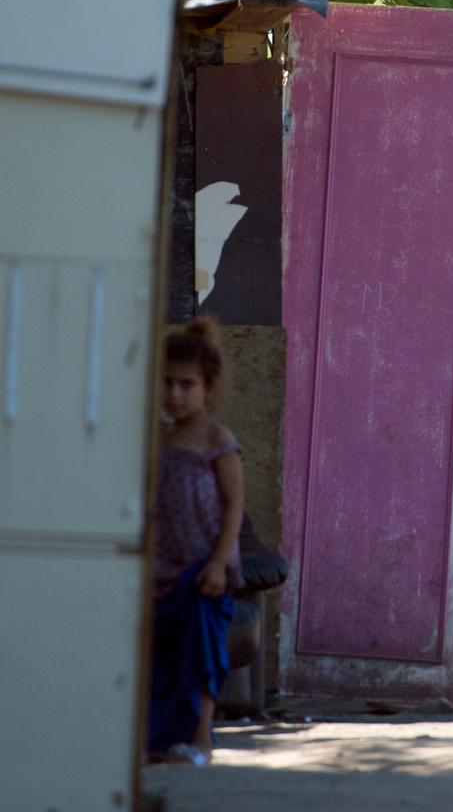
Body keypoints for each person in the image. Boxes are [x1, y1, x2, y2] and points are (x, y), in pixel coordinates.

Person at [148, 317, 244, 764]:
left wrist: (219, 562)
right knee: (161, 657)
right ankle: (161, 740)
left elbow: (233, 507)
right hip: (161, 570)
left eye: (187, 384)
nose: (175, 394)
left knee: (200, 653)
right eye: (167, 383)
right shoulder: (158, 440)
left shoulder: (216, 440)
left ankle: (201, 738)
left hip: (205, 570)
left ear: (209, 387)